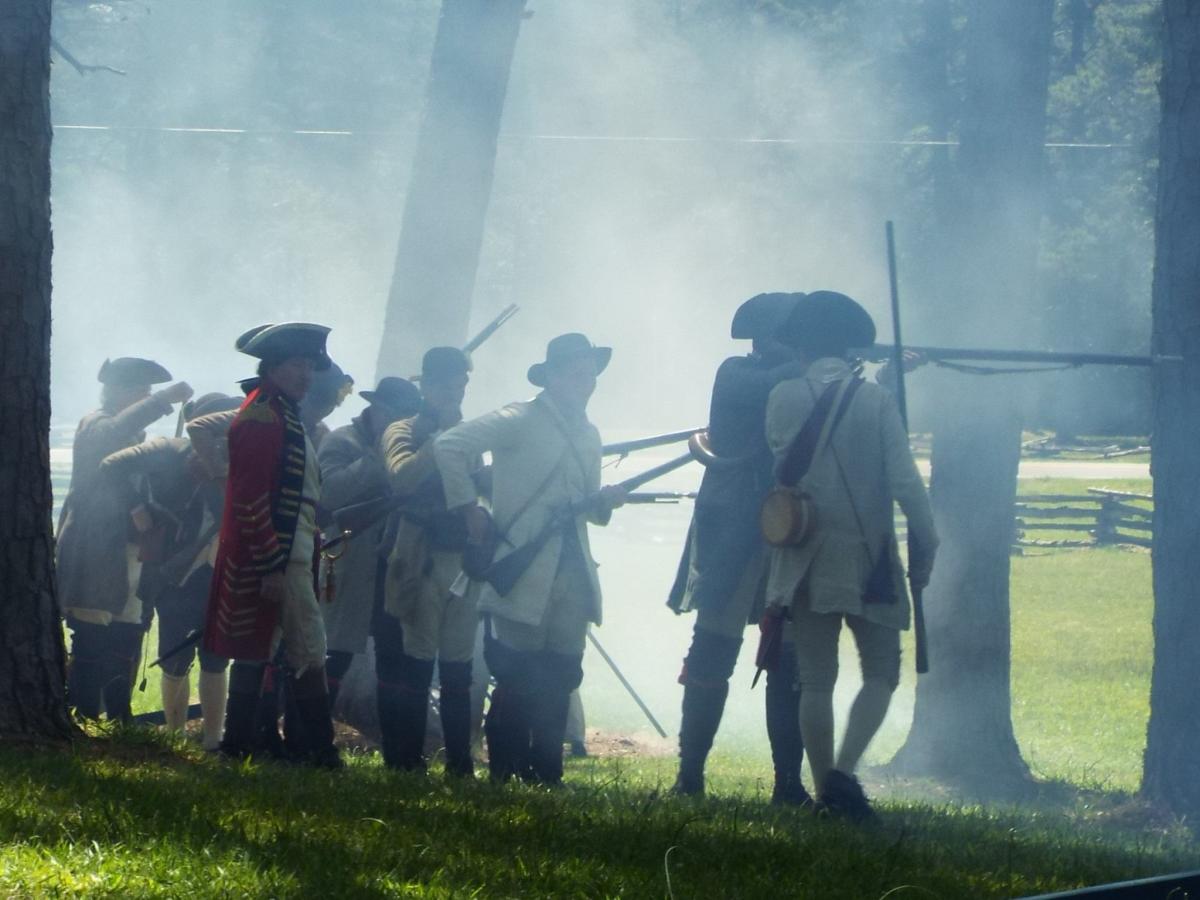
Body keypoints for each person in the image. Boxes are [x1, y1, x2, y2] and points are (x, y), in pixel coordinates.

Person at [764, 291, 938, 821]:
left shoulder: (783, 395)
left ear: (801, 349)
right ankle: (842, 776)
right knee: (882, 672)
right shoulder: (874, 400)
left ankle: (826, 792)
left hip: (805, 557)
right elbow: (906, 482)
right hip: (872, 561)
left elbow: (782, 461)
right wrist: (926, 542)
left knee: (815, 681)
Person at [435, 333, 626, 784]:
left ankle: (547, 771)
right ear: (554, 375)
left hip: (573, 568)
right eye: (578, 373)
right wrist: (469, 509)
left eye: (591, 374)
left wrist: (605, 501)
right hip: (524, 565)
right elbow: (450, 446)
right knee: (517, 672)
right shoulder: (518, 417)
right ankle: (505, 769)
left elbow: (588, 510)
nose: (587, 382)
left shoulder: (589, 432)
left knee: (562, 671)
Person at [667, 292, 812, 802]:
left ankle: (788, 784)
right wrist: (809, 363)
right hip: (735, 525)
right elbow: (769, 388)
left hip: (783, 523)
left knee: (786, 653)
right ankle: (689, 777)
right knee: (714, 646)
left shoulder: (797, 378)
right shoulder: (738, 373)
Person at [203, 322, 342, 768]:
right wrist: (271, 564)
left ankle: (238, 745)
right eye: (297, 365)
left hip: (293, 547)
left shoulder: (280, 413)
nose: (306, 375)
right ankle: (320, 752)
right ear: (274, 367)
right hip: (280, 552)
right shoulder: (263, 416)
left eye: (308, 366)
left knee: (259, 648)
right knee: (309, 648)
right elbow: (248, 495)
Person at [97, 392, 241, 748]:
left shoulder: (234, 463)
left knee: (215, 656)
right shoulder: (167, 450)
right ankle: (175, 735)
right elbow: (111, 466)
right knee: (175, 654)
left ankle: (212, 738)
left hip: (221, 569)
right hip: (175, 572)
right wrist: (138, 511)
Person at [57, 357, 193, 722]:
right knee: (90, 633)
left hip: (130, 549)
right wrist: (164, 399)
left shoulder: (132, 437)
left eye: (147, 393)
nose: (145, 398)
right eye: (140, 392)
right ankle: (84, 716)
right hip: (95, 547)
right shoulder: (96, 426)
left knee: (125, 633)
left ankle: (118, 718)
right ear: (119, 391)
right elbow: (113, 436)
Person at [375, 347, 480, 775]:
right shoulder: (402, 429)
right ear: (430, 386)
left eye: (461, 385)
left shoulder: (468, 432)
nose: (457, 392)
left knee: (458, 664)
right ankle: (406, 760)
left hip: (461, 557)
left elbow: (473, 485)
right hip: (418, 556)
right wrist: (442, 440)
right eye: (450, 385)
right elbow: (401, 477)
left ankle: (459, 762)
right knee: (416, 660)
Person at [319, 376, 423, 708]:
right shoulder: (342, 442)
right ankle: (309, 731)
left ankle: (398, 747)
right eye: (393, 414)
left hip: (396, 562)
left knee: (393, 652)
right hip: (351, 559)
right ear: (376, 408)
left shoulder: (411, 448)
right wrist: (379, 456)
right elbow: (330, 493)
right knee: (334, 653)